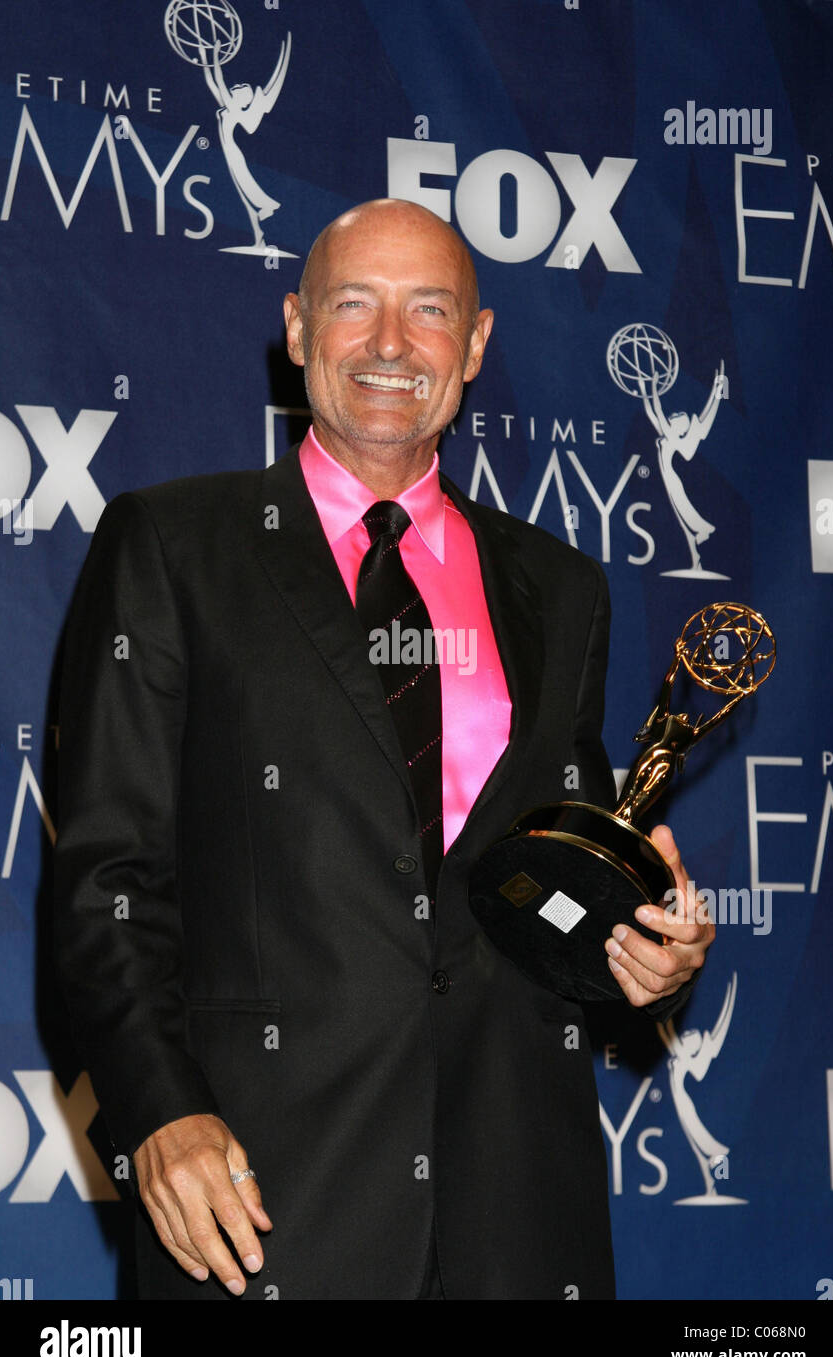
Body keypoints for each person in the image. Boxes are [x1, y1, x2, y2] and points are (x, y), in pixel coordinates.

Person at [53, 198, 714, 1301]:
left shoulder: (559, 588)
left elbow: (545, 885)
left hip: (515, 1215)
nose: (391, 345)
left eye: (429, 311)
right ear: (298, 328)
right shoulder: (174, 546)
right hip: (261, 1205)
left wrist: (642, 949)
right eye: (354, 306)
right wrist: (160, 1111)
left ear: (476, 345)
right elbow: (106, 877)